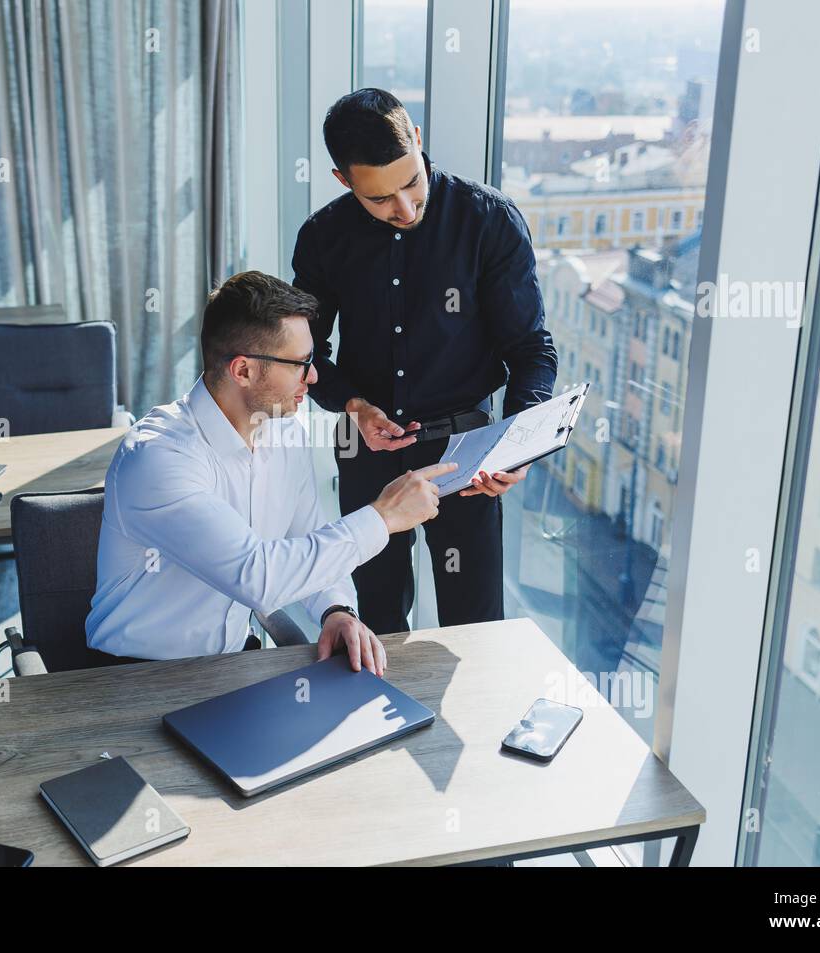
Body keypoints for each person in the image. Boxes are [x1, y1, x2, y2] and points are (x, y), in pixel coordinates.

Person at [84, 270, 455, 674]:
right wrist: (384, 517)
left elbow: (306, 535)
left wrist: (335, 609)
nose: (313, 377)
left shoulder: (284, 431)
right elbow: (258, 577)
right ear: (242, 370)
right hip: (130, 677)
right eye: (300, 363)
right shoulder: (157, 458)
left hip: (229, 667)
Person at [292, 88, 558, 636]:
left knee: (477, 629)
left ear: (417, 140)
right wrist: (355, 406)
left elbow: (531, 349)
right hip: (367, 450)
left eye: (412, 183)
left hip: (469, 457)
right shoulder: (323, 237)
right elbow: (307, 352)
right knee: (378, 621)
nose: (405, 209)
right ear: (344, 180)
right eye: (380, 199)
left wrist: (518, 443)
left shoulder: (489, 220)